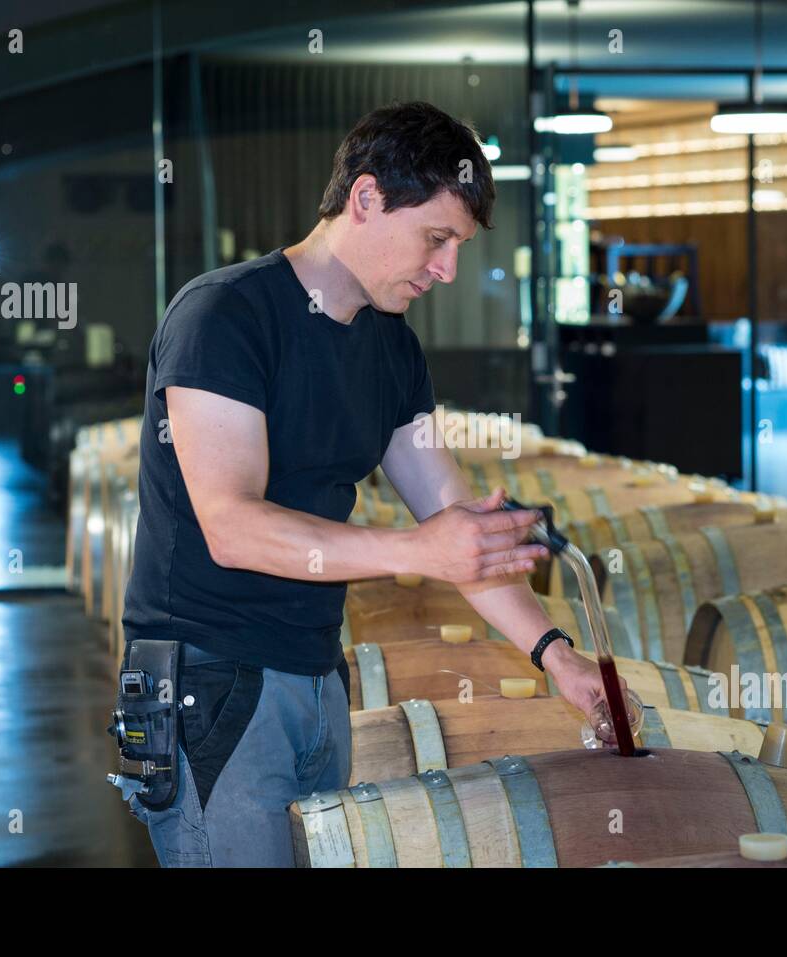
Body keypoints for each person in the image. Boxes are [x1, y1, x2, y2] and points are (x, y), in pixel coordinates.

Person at [120, 100, 623, 867]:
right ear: (366, 198)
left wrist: (558, 654)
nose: (447, 269)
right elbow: (232, 526)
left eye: (457, 246)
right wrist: (419, 550)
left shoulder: (392, 348)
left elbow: (455, 521)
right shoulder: (225, 316)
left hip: (321, 676)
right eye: (437, 238)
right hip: (214, 684)